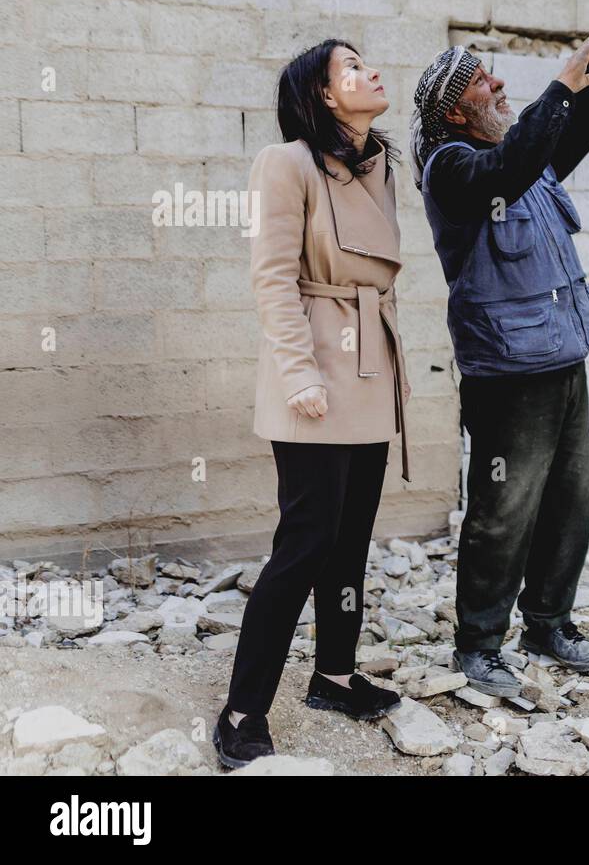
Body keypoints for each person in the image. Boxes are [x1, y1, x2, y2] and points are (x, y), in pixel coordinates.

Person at [409, 0, 589, 696]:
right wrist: (559, 82)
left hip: (562, 357)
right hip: (508, 374)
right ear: (456, 113)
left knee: (572, 500)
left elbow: (572, 137)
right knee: (504, 512)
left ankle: (548, 623)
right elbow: (515, 162)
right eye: (481, 81)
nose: (497, 83)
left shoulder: (517, 158)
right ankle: (478, 646)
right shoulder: (453, 167)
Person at [213, 40, 411, 769]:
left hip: (371, 367)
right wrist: (299, 374)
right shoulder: (286, 162)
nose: (374, 70)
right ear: (325, 95)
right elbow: (272, 280)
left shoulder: (380, 163)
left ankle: (333, 674)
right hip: (314, 377)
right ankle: (242, 710)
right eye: (354, 66)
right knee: (304, 543)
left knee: (351, 536)